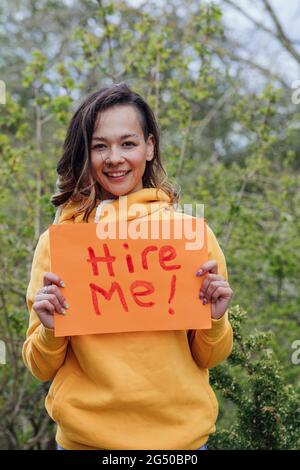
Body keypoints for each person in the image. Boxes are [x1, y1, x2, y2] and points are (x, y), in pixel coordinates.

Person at [22, 82, 233, 450]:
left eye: (128, 143)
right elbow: (40, 366)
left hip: (181, 446)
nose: (114, 157)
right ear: (84, 154)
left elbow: (210, 356)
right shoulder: (58, 243)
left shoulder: (191, 235)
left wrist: (215, 319)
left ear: (150, 147)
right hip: (84, 444)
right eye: (99, 146)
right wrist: (52, 328)